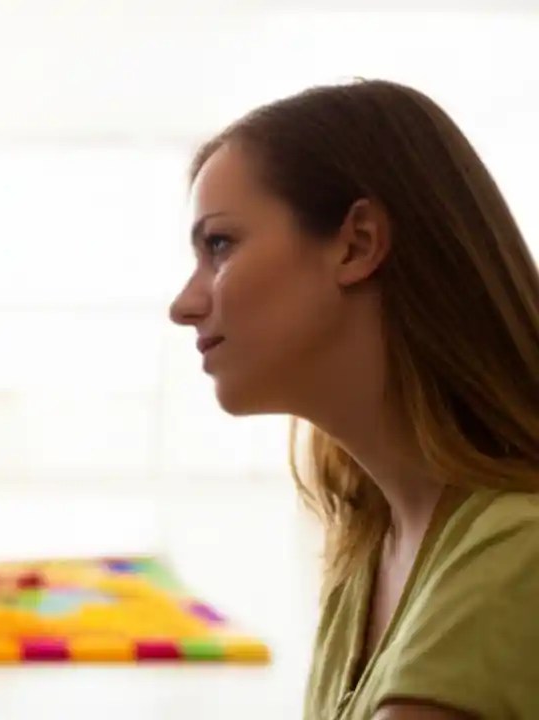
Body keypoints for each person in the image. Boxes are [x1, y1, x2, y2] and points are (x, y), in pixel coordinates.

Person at [170, 79, 539, 719]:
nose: (184, 304)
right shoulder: (368, 549)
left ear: (358, 243)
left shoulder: (517, 555)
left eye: (221, 245)